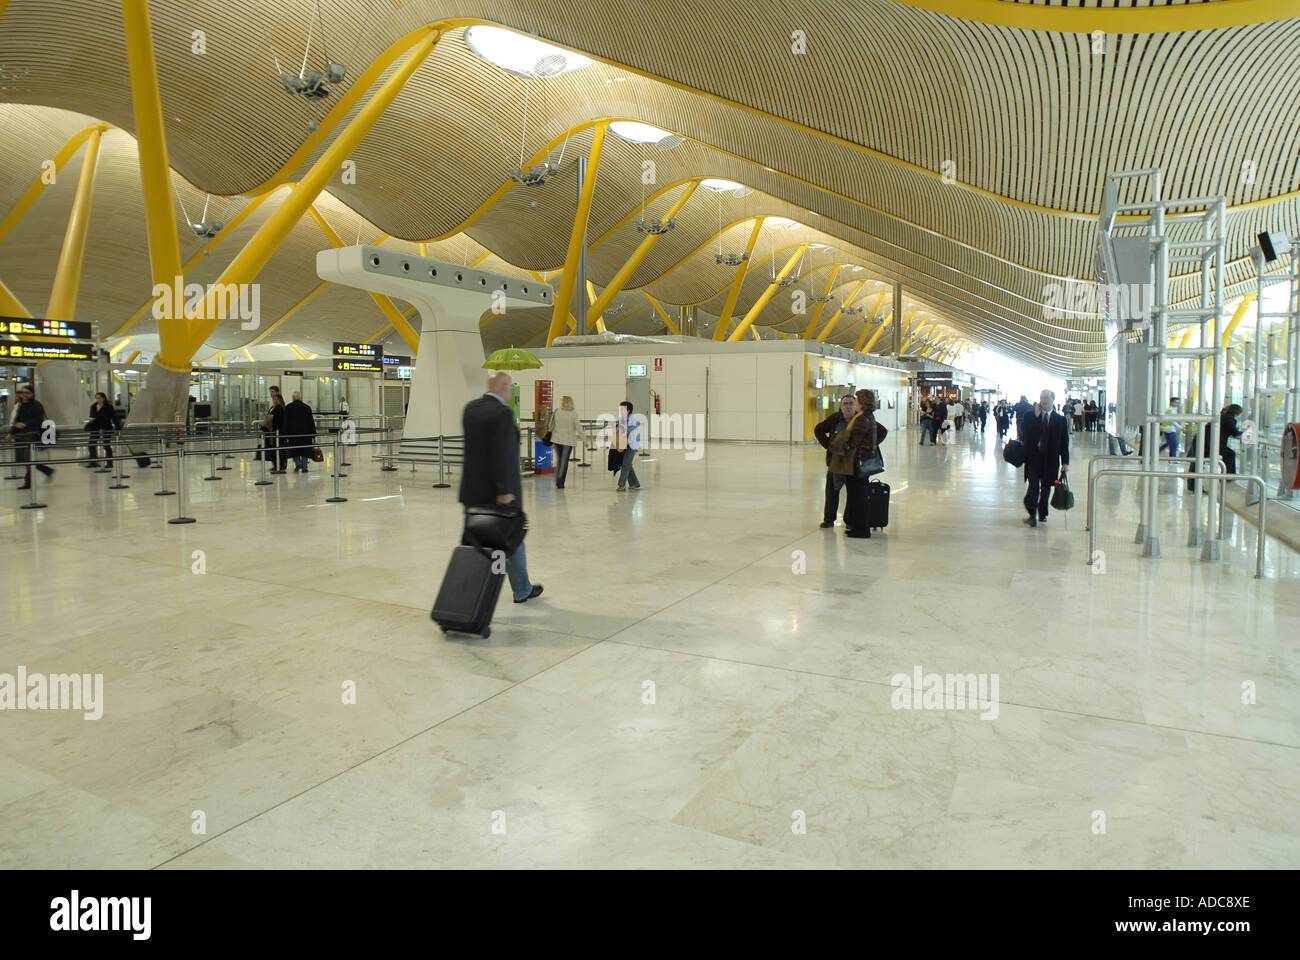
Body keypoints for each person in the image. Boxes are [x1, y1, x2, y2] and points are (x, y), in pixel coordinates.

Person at [459, 372, 542, 604]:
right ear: (504, 386)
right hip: (497, 496)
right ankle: (520, 590)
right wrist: (505, 491)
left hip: (471, 492)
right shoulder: (502, 414)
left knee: (476, 543)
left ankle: (469, 592)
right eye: (510, 387)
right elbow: (503, 455)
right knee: (511, 540)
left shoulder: (470, 409)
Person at [1018, 389, 1069, 527]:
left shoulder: (1060, 420)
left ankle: (1043, 514)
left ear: (1053, 399)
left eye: (1046, 397)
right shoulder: (1030, 415)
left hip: (1050, 459)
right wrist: (1035, 417)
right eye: (1042, 397)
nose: (1044, 400)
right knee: (1033, 486)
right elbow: (1024, 433)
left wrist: (1065, 462)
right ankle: (1031, 514)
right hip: (1034, 458)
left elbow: (1064, 442)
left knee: (1046, 488)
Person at [842, 389, 887, 539]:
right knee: (859, 495)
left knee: (857, 496)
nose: (855, 403)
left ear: (862, 402)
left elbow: (854, 441)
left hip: (857, 462)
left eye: (856, 400)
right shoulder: (870, 416)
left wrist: (842, 446)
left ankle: (861, 529)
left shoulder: (861, 419)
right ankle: (858, 526)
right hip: (865, 461)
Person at [815, 394, 857, 527]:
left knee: (853, 492)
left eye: (851, 403)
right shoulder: (835, 419)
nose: (848, 406)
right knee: (832, 491)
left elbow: (881, 431)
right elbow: (819, 430)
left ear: (856, 406)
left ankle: (850, 520)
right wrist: (828, 445)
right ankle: (829, 519)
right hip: (836, 461)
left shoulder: (859, 420)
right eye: (845, 403)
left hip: (853, 462)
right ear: (841, 406)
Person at [4, 383, 54, 489]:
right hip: (23, 435)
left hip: (33, 434)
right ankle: (47, 470)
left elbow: (39, 420)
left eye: (27, 393)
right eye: (23, 392)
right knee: (25, 459)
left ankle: (28, 482)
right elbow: (17, 421)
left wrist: (25, 424)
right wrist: (11, 433)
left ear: (32, 394)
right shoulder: (21, 405)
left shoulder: (36, 405)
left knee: (27, 459)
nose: (24, 395)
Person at [549, 395, 581, 489]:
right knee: (564, 461)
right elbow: (578, 427)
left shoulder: (557, 411)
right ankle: (561, 481)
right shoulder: (573, 414)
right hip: (567, 440)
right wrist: (584, 439)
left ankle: (557, 480)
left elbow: (551, 424)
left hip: (556, 439)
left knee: (559, 460)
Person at [283, 391, 316, 472]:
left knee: (294, 449)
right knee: (305, 450)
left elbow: (286, 422)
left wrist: (285, 433)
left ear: (293, 398)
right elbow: (311, 421)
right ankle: (305, 466)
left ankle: (298, 463)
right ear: (300, 398)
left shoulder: (288, 407)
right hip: (305, 433)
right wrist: (313, 434)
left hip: (293, 433)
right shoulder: (307, 407)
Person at [85, 392, 117, 468]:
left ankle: (109, 463)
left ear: (103, 398)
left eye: (99, 398)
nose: (97, 400)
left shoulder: (109, 407)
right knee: (91, 444)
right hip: (95, 428)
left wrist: (118, 428)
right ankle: (93, 462)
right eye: (96, 398)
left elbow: (114, 418)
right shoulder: (93, 406)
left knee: (106, 445)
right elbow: (92, 417)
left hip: (106, 427)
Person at [615, 400, 641, 491]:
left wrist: (623, 428)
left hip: (631, 445)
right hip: (623, 444)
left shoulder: (633, 419)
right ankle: (635, 483)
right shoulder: (622, 418)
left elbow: (632, 431)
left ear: (628, 410)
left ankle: (621, 485)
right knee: (627, 464)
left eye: (622, 409)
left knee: (625, 465)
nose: (621, 410)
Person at [268, 391, 287, 470]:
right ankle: (277, 465)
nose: (274, 401)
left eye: (275, 399)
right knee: (276, 449)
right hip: (275, 432)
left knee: (278, 449)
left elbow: (276, 419)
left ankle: (280, 465)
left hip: (278, 432)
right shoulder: (275, 408)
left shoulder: (279, 408)